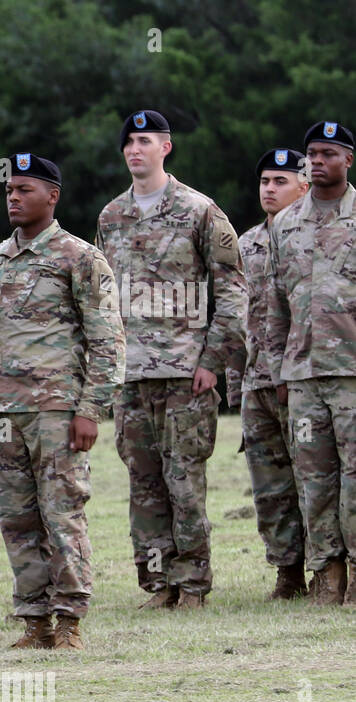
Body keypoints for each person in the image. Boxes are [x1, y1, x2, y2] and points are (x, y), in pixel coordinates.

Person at [0, 154, 124, 650]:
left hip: (58, 410)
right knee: (16, 517)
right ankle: (33, 620)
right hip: (5, 410)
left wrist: (91, 409)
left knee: (62, 512)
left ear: (53, 196)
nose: (13, 197)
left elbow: (108, 340)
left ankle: (69, 619)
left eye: (25, 189)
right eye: (9, 190)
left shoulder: (80, 257)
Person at [95, 109, 248, 609]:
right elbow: (100, 300)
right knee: (144, 485)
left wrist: (214, 359)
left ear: (166, 147)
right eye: (129, 143)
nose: (135, 150)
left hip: (187, 372)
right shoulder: (111, 217)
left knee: (184, 482)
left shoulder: (200, 211)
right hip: (131, 373)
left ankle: (194, 586)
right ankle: (159, 584)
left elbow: (232, 292)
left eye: (145, 141)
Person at [263, 122, 356, 605]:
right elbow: (277, 305)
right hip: (302, 374)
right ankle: (327, 572)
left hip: (352, 371)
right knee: (314, 477)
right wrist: (279, 369)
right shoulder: (286, 224)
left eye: (328, 154)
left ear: (348, 160)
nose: (317, 162)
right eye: (311, 155)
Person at [234, 148, 311, 599]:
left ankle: (329, 569)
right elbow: (233, 316)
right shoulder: (245, 245)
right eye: (264, 181)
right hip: (255, 382)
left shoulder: (313, 236)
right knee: (269, 486)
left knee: (314, 479)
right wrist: (232, 380)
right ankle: (287, 573)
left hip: (302, 378)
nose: (269, 189)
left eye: (280, 181)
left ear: (304, 185)